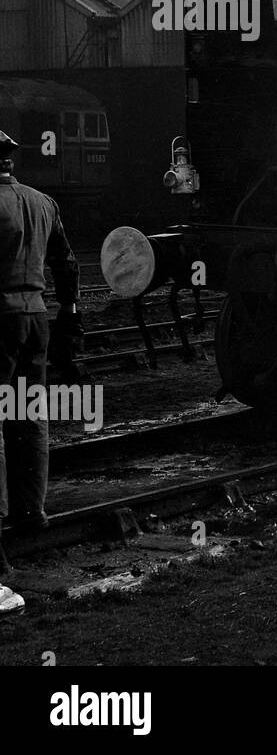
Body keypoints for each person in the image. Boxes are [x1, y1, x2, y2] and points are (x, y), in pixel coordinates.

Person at [0, 128, 81, 616]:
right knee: (29, 413)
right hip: (36, 317)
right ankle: (32, 509)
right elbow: (66, 262)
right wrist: (70, 312)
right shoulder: (42, 202)